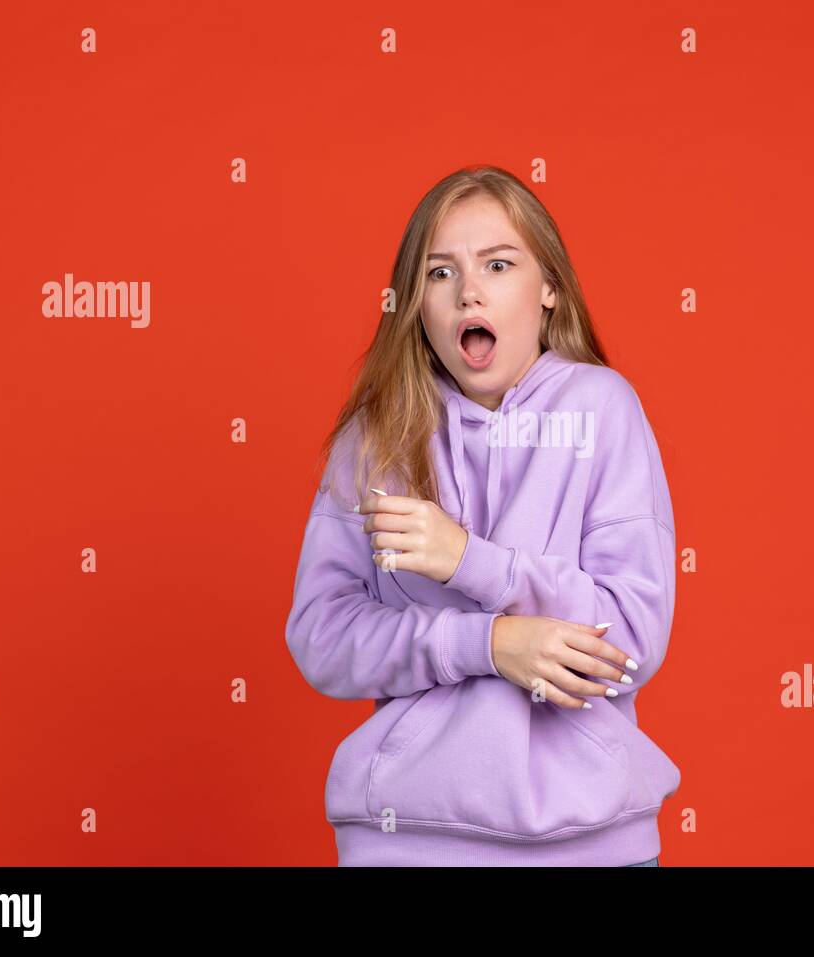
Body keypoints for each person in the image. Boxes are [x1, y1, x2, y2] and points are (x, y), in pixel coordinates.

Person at [285, 165, 680, 866]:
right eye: (440, 273)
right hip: (404, 840)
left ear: (548, 288)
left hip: (591, 845)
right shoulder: (374, 437)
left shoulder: (602, 409)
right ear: (414, 302)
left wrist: (468, 559)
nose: (469, 289)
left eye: (498, 264)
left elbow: (631, 642)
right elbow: (322, 637)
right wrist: (488, 644)